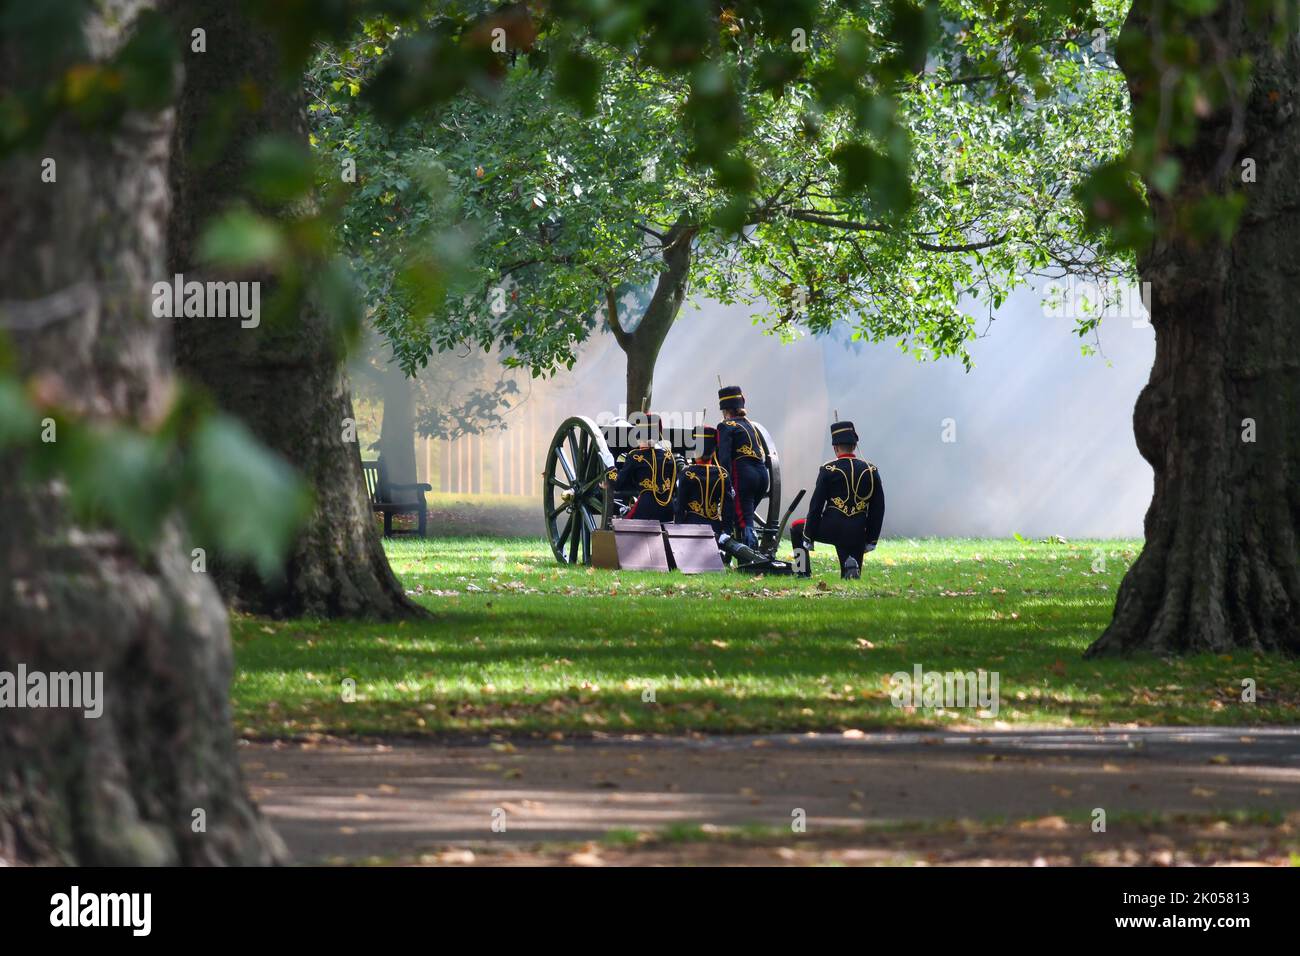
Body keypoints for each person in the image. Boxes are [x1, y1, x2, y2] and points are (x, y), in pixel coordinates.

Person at [790, 419, 884, 579]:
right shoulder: (871, 470)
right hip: (858, 532)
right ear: (854, 446)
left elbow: (816, 506)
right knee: (850, 568)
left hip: (831, 529)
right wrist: (871, 539)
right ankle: (851, 564)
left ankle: (802, 571)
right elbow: (878, 509)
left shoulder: (828, 469)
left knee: (796, 527)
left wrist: (809, 536)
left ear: (835, 448)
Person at [716, 384, 769, 548]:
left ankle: (750, 559)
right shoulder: (750, 425)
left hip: (743, 477)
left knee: (744, 521)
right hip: (762, 477)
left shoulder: (725, 426)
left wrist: (726, 484)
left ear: (725, 410)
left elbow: (724, 459)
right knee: (746, 516)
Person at [608, 412, 677, 522]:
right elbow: (673, 489)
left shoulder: (635, 456)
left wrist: (609, 470)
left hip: (646, 511)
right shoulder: (669, 457)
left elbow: (617, 484)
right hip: (668, 511)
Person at [673, 424, 735, 536]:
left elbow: (680, 507)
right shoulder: (723, 473)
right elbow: (728, 506)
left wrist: (677, 529)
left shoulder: (686, 473)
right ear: (713, 451)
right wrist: (727, 531)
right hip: (715, 528)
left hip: (690, 527)